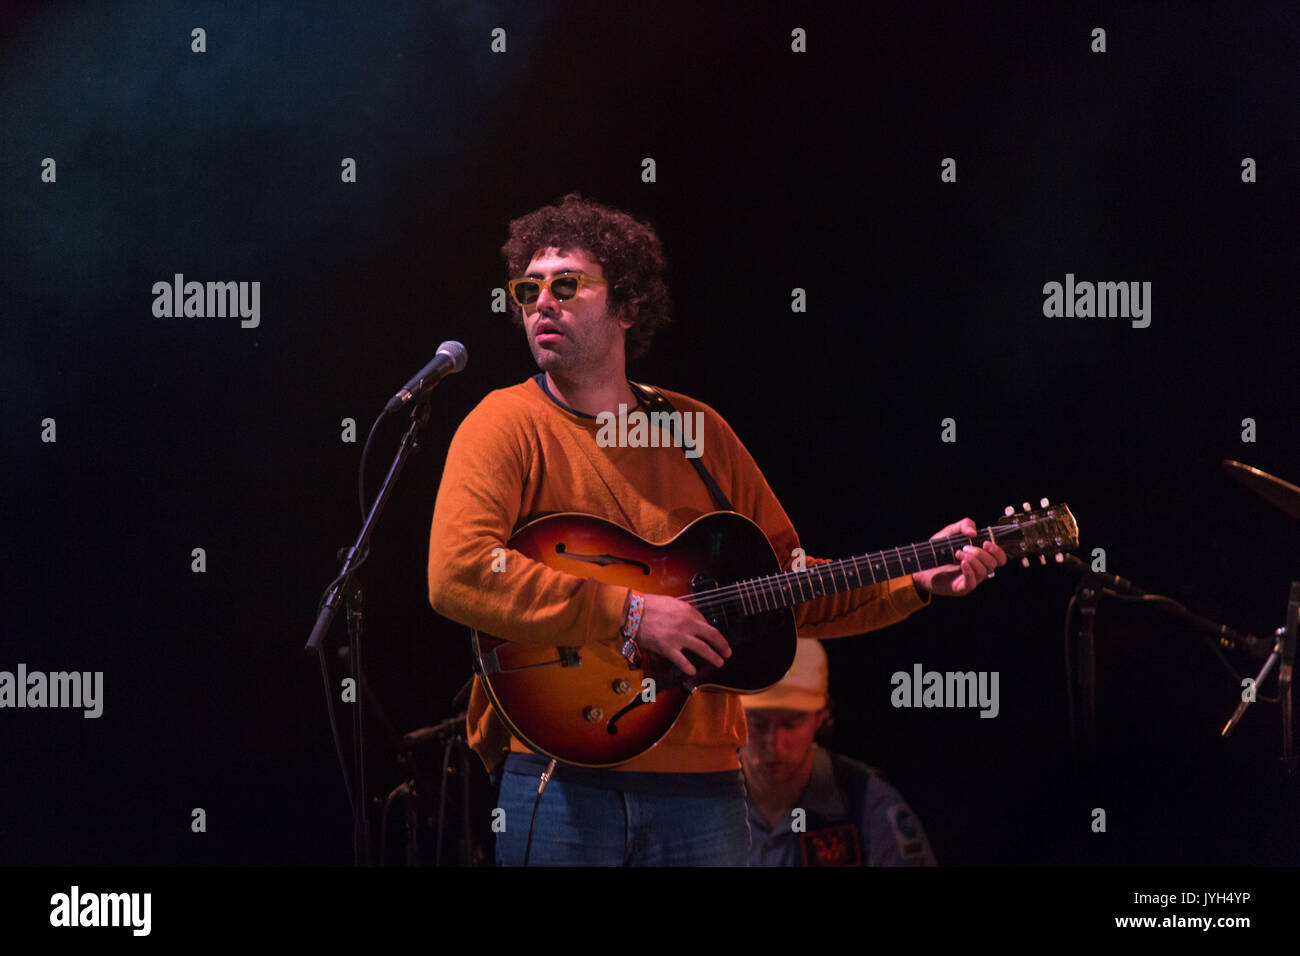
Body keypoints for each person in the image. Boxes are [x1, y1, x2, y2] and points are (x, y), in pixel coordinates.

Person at [426, 193, 1005, 866]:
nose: (541, 303)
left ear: (628, 306)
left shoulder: (696, 432)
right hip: (559, 778)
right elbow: (459, 571)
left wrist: (913, 579)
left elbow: (789, 585)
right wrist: (632, 612)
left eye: (566, 285)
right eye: (527, 290)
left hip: (703, 786)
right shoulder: (503, 423)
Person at [742, 638, 936, 866]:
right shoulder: (700, 799)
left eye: (792, 723)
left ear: (822, 717)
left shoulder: (868, 803)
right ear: (729, 718)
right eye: (757, 724)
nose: (775, 744)